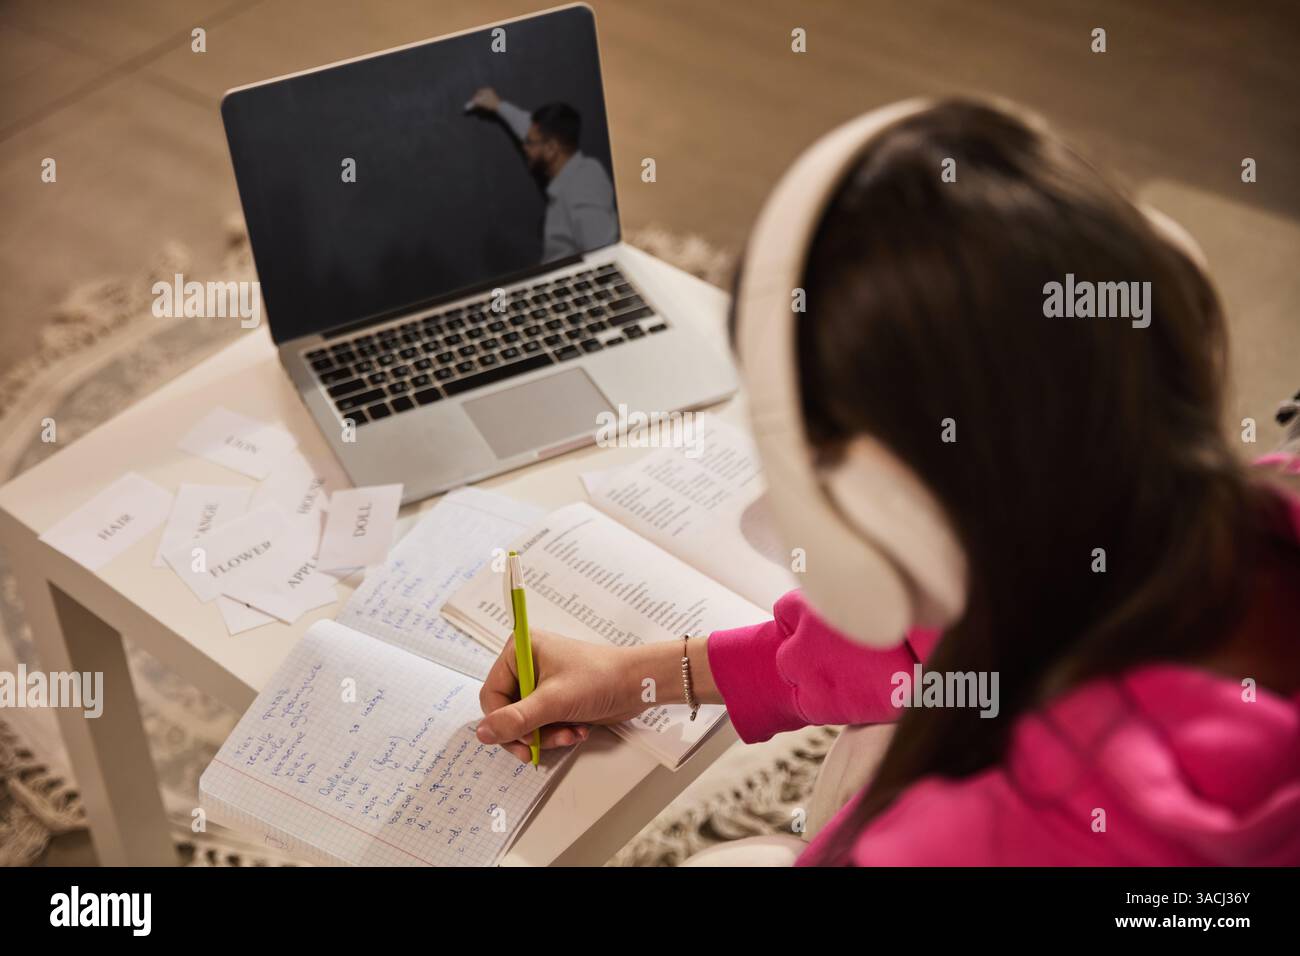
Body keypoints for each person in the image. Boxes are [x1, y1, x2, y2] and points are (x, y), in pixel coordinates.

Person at [475, 98, 1300, 865]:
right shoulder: (1179, 524)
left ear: (886, 522)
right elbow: (917, 648)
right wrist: (646, 673)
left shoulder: (956, 838)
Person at [467, 86, 618, 262]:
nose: (525, 147)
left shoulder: (582, 187)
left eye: (529, 143)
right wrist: (498, 105)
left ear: (551, 149)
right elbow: (531, 130)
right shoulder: (580, 170)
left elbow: (604, 255)